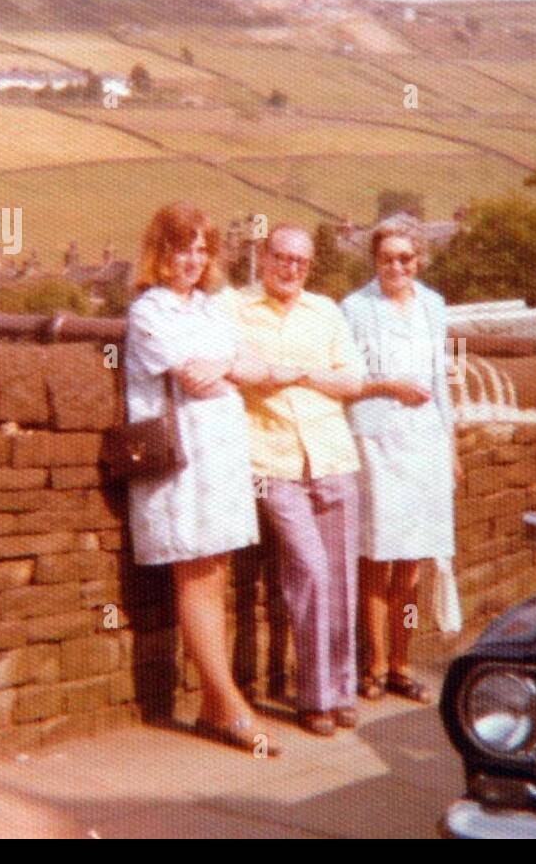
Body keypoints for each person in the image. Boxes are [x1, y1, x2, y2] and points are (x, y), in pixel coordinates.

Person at [224, 225, 425, 736]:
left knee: (339, 577)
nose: (290, 268)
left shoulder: (325, 312)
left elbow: (351, 381)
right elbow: (240, 370)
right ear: (264, 257)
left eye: (300, 261)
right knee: (310, 570)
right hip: (272, 461)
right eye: (282, 257)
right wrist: (293, 372)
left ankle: (338, 691)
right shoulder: (234, 308)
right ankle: (314, 697)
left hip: (334, 457)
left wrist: (293, 373)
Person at [126, 202, 284, 756]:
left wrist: (225, 367)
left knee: (214, 574)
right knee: (194, 577)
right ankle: (232, 705)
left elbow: (258, 368)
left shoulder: (215, 308)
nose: (192, 260)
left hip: (221, 460)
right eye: (182, 247)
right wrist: (226, 368)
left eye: (201, 249)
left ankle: (213, 707)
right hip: (181, 464)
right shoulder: (149, 312)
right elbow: (195, 376)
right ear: (160, 251)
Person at [341, 224, 460, 704]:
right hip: (377, 440)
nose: (397, 267)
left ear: (419, 260)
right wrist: (390, 388)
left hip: (425, 440)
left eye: (406, 258)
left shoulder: (433, 305)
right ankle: (371, 664)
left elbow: (440, 379)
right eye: (388, 258)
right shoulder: (355, 308)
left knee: (411, 561)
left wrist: (451, 446)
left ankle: (400, 664)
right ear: (375, 260)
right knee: (376, 556)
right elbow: (349, 379)